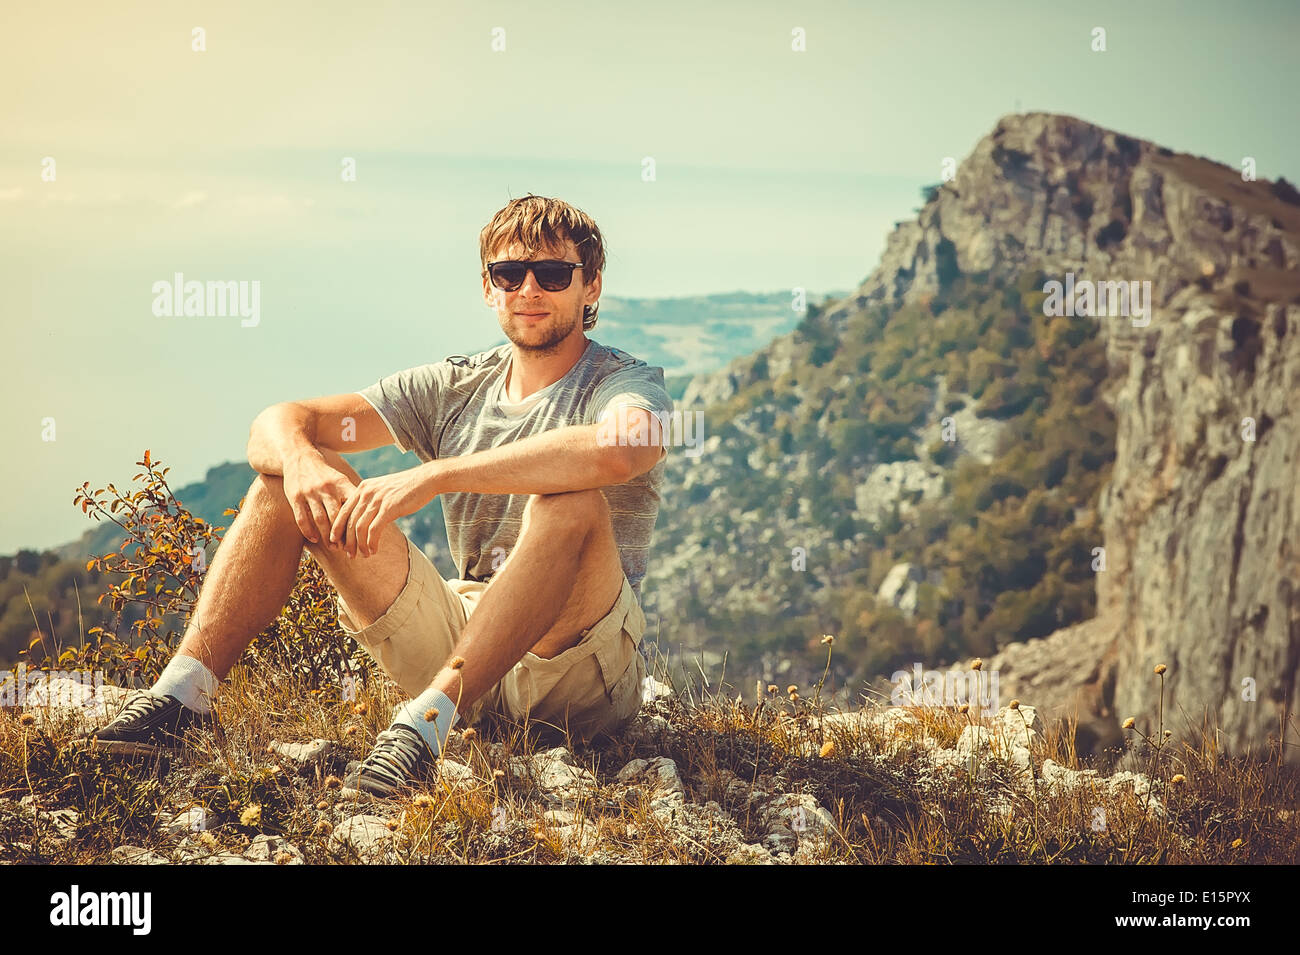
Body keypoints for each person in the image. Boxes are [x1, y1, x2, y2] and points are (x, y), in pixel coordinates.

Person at [74, 194, 674, 798]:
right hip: (465, 643)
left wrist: (438, 474)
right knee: (285, 482)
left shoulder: (624, 381)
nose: (529, 290)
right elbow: (278, 422)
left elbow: (621, 448)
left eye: (552, 274)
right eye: (508, 273)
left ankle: (423, 730)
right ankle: (181, 700)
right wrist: (305, 460)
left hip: (575, 668)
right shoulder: (457, 383)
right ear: (488, 288)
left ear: (591, 285)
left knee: (569, 501)